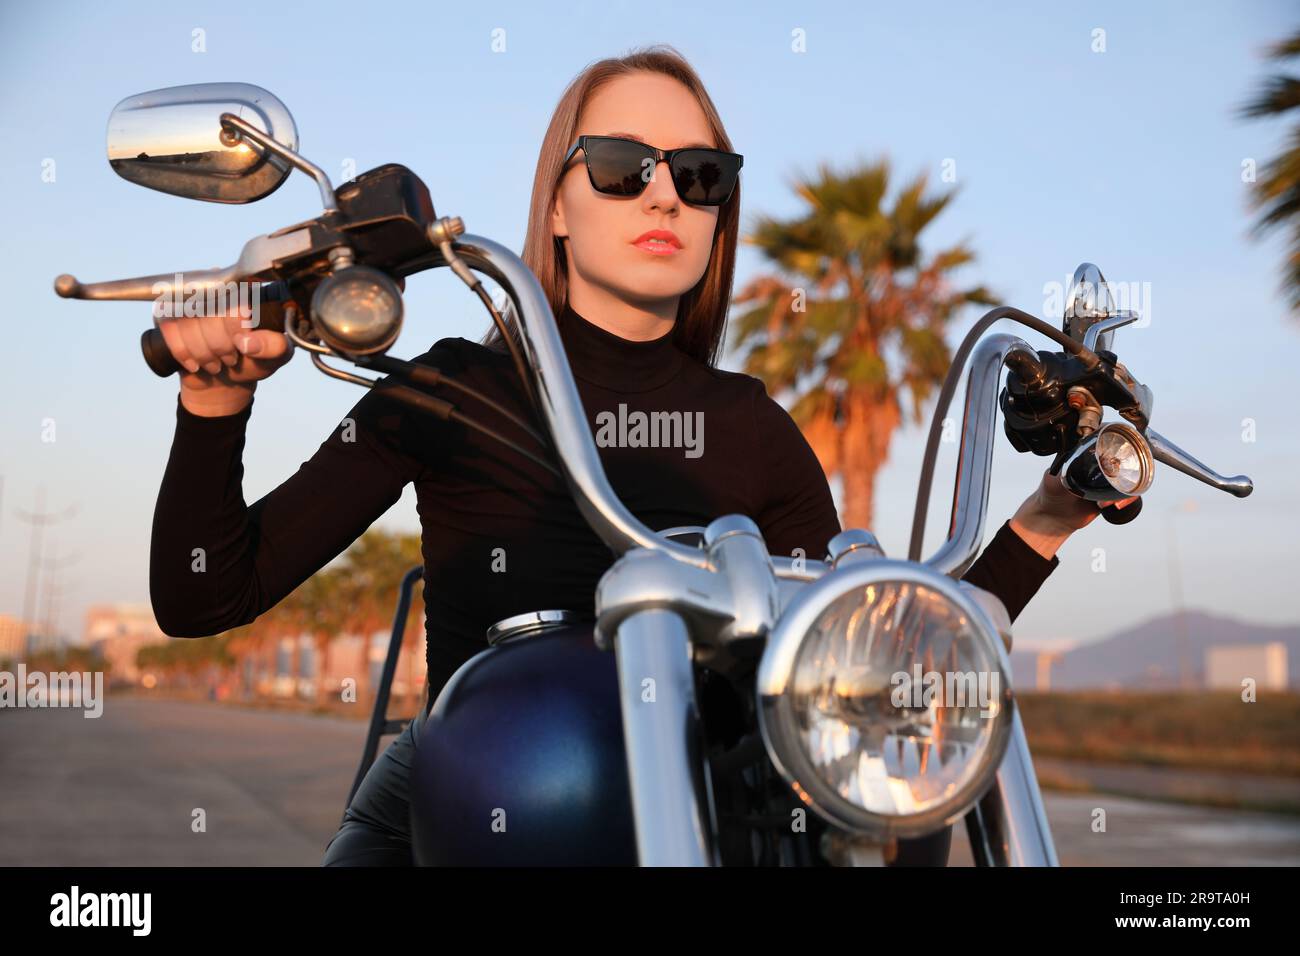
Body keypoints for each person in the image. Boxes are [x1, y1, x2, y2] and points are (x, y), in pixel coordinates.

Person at [148, 45, 1135, 867]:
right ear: (561, 204)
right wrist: (214, 397)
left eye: (698, 174)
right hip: (485, 773)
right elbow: (204, 596)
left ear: (717, 216)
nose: (664, 192)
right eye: (623, 164)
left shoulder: (754, 424)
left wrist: (1054, 510)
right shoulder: (452, 387)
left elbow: (863, 647)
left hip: (719, 788)